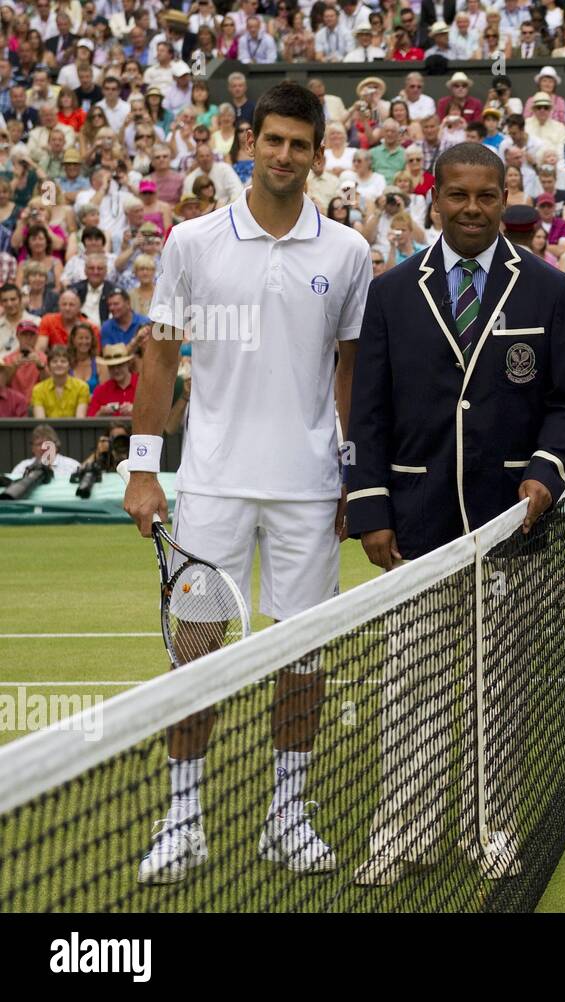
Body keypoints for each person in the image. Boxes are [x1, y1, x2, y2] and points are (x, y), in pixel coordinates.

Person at [122, 82, 372, 887]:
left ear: (317, 153)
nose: (285, 155)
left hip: (307, 489)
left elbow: (352, 369)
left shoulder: (347, 252)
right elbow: (161, 355)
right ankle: (182, 820)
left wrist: (350, 469)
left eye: (301, 144)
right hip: (212, 487)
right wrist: (142, 469)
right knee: (194, 653)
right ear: (249, 142)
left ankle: (287, 819)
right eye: (273, 140)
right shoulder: (193, 242)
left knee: (302, 663)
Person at [346, 142, 565, 885]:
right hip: (416, 525)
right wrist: (370, 510)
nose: (474, 209)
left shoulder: (547, 288)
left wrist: (546, 477)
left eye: (487, 196)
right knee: (410, 686)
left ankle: (491, 827)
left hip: (508, 526)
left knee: (500, 690)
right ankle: (401, 831)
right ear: (434, 199)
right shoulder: (391, 292)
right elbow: (369, 412)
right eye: (459, 195)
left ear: (505, 196)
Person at [30, 344, 89, 418]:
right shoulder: (38, 390)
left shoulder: (82, 387)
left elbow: (80, 419)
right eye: (54, 361)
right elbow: (40, 421)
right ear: (48, 366)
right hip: (48, 429)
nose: (59, 364)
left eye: (63, 361)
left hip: (74, 429)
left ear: (69, 365)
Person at [87, 342, 138, 416]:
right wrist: (101, 413)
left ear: (128, 363)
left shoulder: (142, 385)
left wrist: (136, 411)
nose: (116, 370)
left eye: (120, 365)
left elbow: (155, 414)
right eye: (112, 367)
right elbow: (89, 421)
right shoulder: (101, 391)